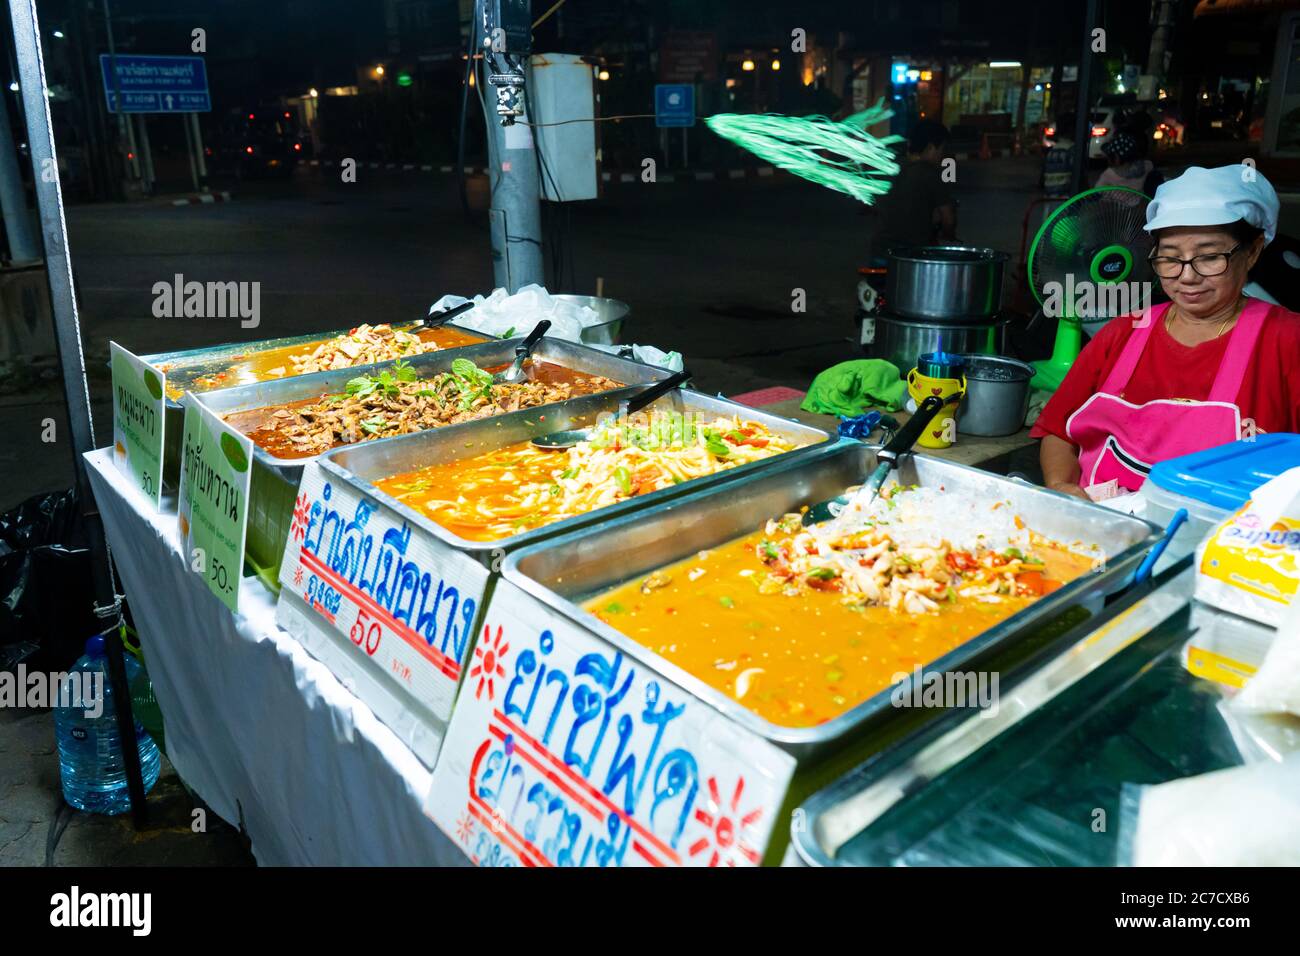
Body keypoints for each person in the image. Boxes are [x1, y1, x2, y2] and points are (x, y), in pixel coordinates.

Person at [1032, 164, 1300, 500]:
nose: (1187, 276)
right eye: (1170, 258)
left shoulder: (1286, 339)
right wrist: (1061, 487)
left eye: (1209, 257)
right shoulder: (1123, 332)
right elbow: (1059, 428)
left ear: (1253, 251)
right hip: (1102, 528)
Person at [869, 120, 957, 257]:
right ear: (931, 148)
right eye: (942, 149)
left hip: (880, 250)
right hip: (913, 254)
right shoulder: (932, 174)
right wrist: (949, 234)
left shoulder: (887, 168)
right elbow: (948, 219)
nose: (942, 155)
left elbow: (874, 206)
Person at [1096, 129, 1163, 196]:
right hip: (1139, 203)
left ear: (1116, 158)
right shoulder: (1147, 165)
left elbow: (1097, 190)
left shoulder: (1108, 174)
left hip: (1114, 205)